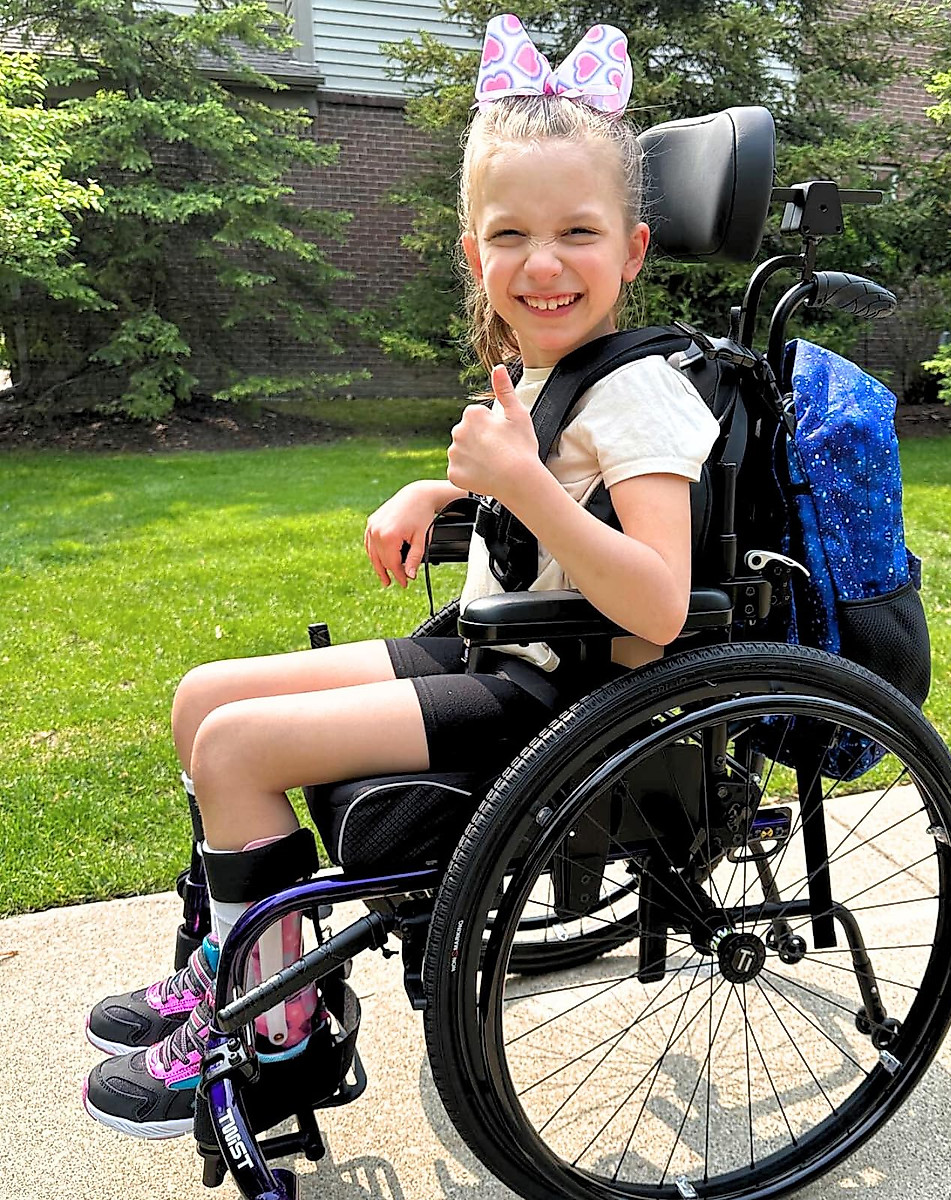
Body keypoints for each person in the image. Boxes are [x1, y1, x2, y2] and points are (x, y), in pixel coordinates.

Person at [82, 11, 720, 1140]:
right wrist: (439, 495)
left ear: (631, 251)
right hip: (490, 645)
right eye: (510, 235)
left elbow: (659, 605)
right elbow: (551, 517)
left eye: (577, 232)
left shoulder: (643, 394)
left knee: (236, 748)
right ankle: (225, 960)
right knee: (201, 698)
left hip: (557, 694)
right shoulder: (554, 371)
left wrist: (517, 483)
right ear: (475, 254)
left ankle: (281, 1039)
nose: (542, 262)